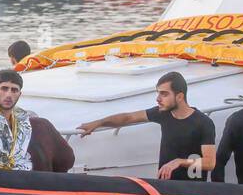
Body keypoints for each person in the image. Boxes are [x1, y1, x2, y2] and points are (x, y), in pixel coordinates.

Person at [78, 71, 217, 180]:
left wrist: (180, 162)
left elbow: (210, 163)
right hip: (164, 186)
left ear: (180, 97)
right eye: (158, 93)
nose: (158, 99)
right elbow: (128, 117)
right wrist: (98, 123)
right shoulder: (163, 114)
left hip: (192, 190)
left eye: (164, 94)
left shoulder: (203, 123)